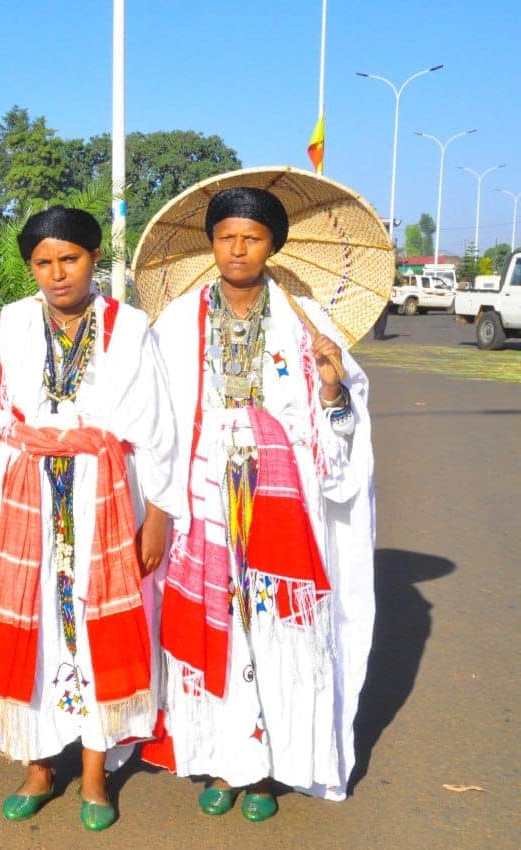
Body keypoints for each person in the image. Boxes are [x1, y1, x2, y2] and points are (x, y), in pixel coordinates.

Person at [0, 206, 183, 831]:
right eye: (43, 263)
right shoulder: (3, 328)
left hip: (103, 496)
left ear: (93, 260)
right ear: (31, 266)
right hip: (18, 498)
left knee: (92, 625)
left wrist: (158, 514)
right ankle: (35, 766)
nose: (57, 274)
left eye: (70, 259)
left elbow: (159, 428)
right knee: (31, 626)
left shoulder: (128, 327)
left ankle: (95, 772)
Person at [145, 187, 375, 822]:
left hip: (282, 499)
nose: (237, 249)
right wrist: (162, 504)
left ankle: (271, 767)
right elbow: (158, 420)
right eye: (226, 237)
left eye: (251, 238)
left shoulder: (306, 320)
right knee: (213, 625)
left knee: (274, 630)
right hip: (203, 499)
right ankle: (221, 759)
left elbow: (343, 426)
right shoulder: (178, 321)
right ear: (211, 244)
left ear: (273, 245)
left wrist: (332, 385)